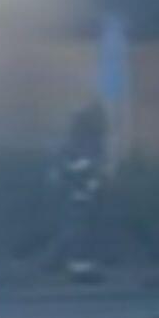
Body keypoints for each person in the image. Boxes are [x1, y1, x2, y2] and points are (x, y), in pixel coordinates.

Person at [47, 103, 108, 282]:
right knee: (77, 228)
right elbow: (68, 168)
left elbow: (93, 166)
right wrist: (82, 177)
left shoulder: (85, 143)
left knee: (78, 227)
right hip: (76, 191)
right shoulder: (79, 143)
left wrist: (90, 182)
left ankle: (66, 263)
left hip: (81, 191)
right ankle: (75, 265)